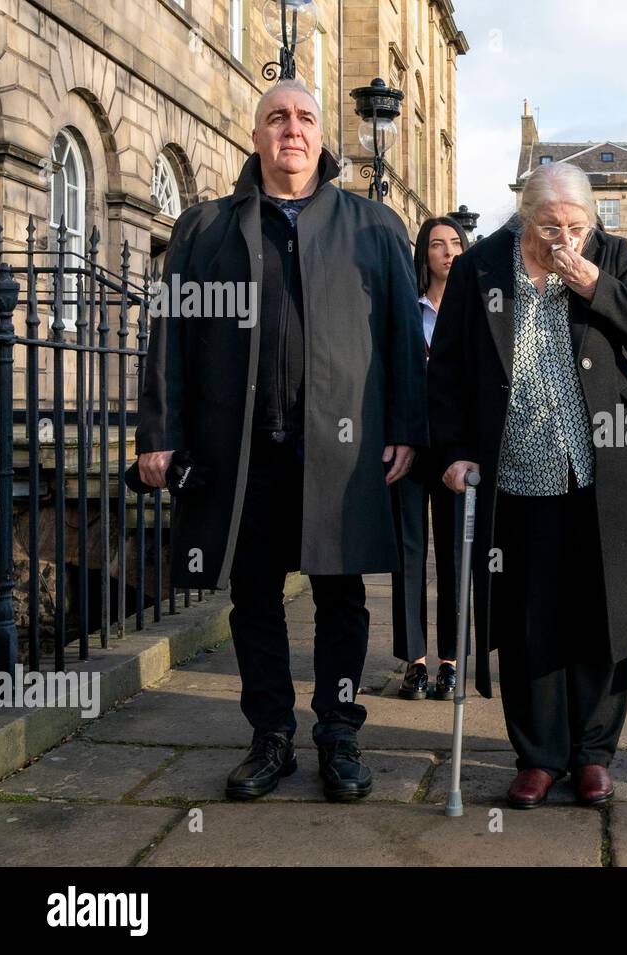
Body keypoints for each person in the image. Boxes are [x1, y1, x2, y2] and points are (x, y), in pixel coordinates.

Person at [135, 79, 426, 802]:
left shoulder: (373, 226)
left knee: (342, 596)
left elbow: (400, 339)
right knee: (253, 597)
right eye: (276, 118)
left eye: (303, 118)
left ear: (321, 136)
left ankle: (339, 732)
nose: (290, 130)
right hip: (240, 452)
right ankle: (271, 737)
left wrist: (405, 429)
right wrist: (158, 435)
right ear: (257, 134)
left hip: (343, 448)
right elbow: (168, 338)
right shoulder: (205, 229)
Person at [428, 161, 627, 809]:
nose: (563, 239)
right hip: (515, 473)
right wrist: (454, 452)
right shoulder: (479, 265)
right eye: (549, 228)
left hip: (600, 469)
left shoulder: (613, 256)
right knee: (529, 616)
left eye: (575, 226)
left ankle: (593, 755)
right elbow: (449, 371)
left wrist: (596, 285)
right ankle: (538, 755)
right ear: (524, 216)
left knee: (604, 610)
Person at [392, 216, 469, 701]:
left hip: (457, 451)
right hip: (409, 445)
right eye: (437, 244)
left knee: (456, 557)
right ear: (424, 255)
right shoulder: (407, 308)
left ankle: (451, 659)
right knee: (408, 552)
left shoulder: (479, 309)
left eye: (456, 243)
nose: (447, 252)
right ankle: (414, 660)